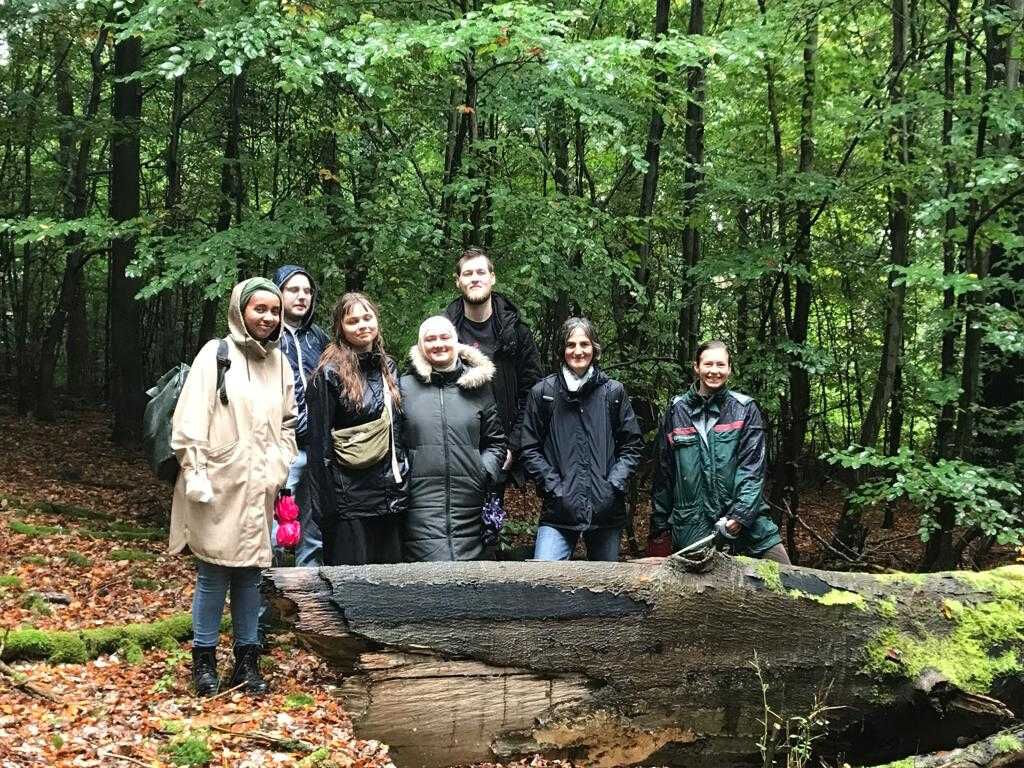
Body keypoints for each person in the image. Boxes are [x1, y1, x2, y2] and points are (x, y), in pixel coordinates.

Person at [169, 277, 297, 697]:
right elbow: (190, 418)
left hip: (259, 486)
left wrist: (279, 466)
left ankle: (247, 662)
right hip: (215, 484)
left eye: (274, 310)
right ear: (241, 311)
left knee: (249, 575)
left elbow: (288, 423)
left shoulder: (280, 363)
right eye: (259, 309)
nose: (268, 317)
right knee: (212, 573)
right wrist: (195, 471)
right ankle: (204, 663)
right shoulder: (215, 354)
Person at [649, 340, 790, 564]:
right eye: (708, 364)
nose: (714, 371)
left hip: (746, 521)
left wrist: (740, 516)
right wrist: (659, 529)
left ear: (729, 369)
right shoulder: (677, 412)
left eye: (721, 365)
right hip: (692, 525)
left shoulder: (744, 409)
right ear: (696, 367)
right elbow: (664, 475)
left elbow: (752, 470)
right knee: (697, 596)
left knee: (786, 579)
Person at [520, 318, 644, 561]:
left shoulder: (613, 393)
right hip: (559, 511)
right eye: (571, 344)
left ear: (594, 348)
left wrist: (613, 485)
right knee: (544, 584)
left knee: (607, 590)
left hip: (605, 511)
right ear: (562, 350)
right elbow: (529, 447)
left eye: (584, 344)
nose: (578, 351)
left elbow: (632, 445)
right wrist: (553, 487)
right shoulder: (543, 393)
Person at [306, 292, 407, 565]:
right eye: (353, 321)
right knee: (351, 587)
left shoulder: (389, 368)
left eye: (367, 317)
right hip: (348, 503)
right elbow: (319, 450)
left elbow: (397, 433)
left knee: (391, 586)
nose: (362, 325)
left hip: (391, 498)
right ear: (340, 328)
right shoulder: (328, 375)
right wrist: (327, 510)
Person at [400, 316, 507, 561]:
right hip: (420, 506)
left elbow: (496, 441)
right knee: (427, 584)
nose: (438, 344)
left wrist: (482, 470)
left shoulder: (478, 387)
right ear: (420, 345)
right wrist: (407, 474)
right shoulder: (404, 387)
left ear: (456, 342)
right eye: (430, 338)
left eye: (444, 337)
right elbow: (395, 443)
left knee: (470, 588)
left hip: (470, 503)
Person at [443, 247, 542, 491]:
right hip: (452, 448)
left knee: (489, 526)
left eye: (480, 272)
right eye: (467, 274)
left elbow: (531, 393)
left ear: (492, 277)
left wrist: (513, 446)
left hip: (498, 448)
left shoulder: (516, 333)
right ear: (458, 281)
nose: (475, 278)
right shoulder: (442, 334)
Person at [272, 265, 329, 567]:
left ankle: (309, 608)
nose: (302, 296)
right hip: (282, 449)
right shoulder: (267, 335)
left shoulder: (318, 337)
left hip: (317, 447)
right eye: (294, 289)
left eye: (307, 291)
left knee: (313, 532)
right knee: (275, 533)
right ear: (278, 292)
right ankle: (266, 610)